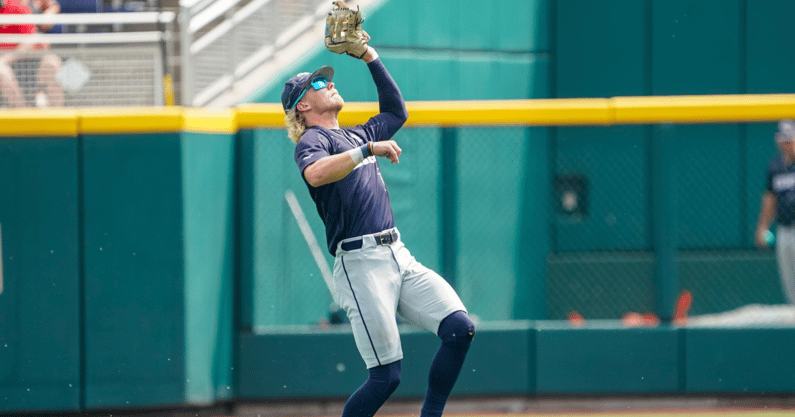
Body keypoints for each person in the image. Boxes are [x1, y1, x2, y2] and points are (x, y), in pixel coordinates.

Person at [282, 45, 475, 417]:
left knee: (459, 328)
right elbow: (315, 173)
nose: (329, 83)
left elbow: (396, 112)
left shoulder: (357, 134)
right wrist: (367, 149)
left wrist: (370, 56)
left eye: (327, 80)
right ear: (302, 105)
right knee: (386, 377)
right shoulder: (314, 140)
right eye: (318, 83)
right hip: (360, 264)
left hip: (397, 254)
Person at [755, 119, 795, 304]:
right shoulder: (776, 166)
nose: (786, 144)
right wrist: (762, 227)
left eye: (790, 140)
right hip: (784, 229)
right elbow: (770, 198)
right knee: (789, 280)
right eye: (783, 140)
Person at [0, 0, 64, 108]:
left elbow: (31, 39)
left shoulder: (18, 7)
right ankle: (22, 115)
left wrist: (5, 59)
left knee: (52, 62)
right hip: (6, 65)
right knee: (1, 70)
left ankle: (58, 116)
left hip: (27, 61)